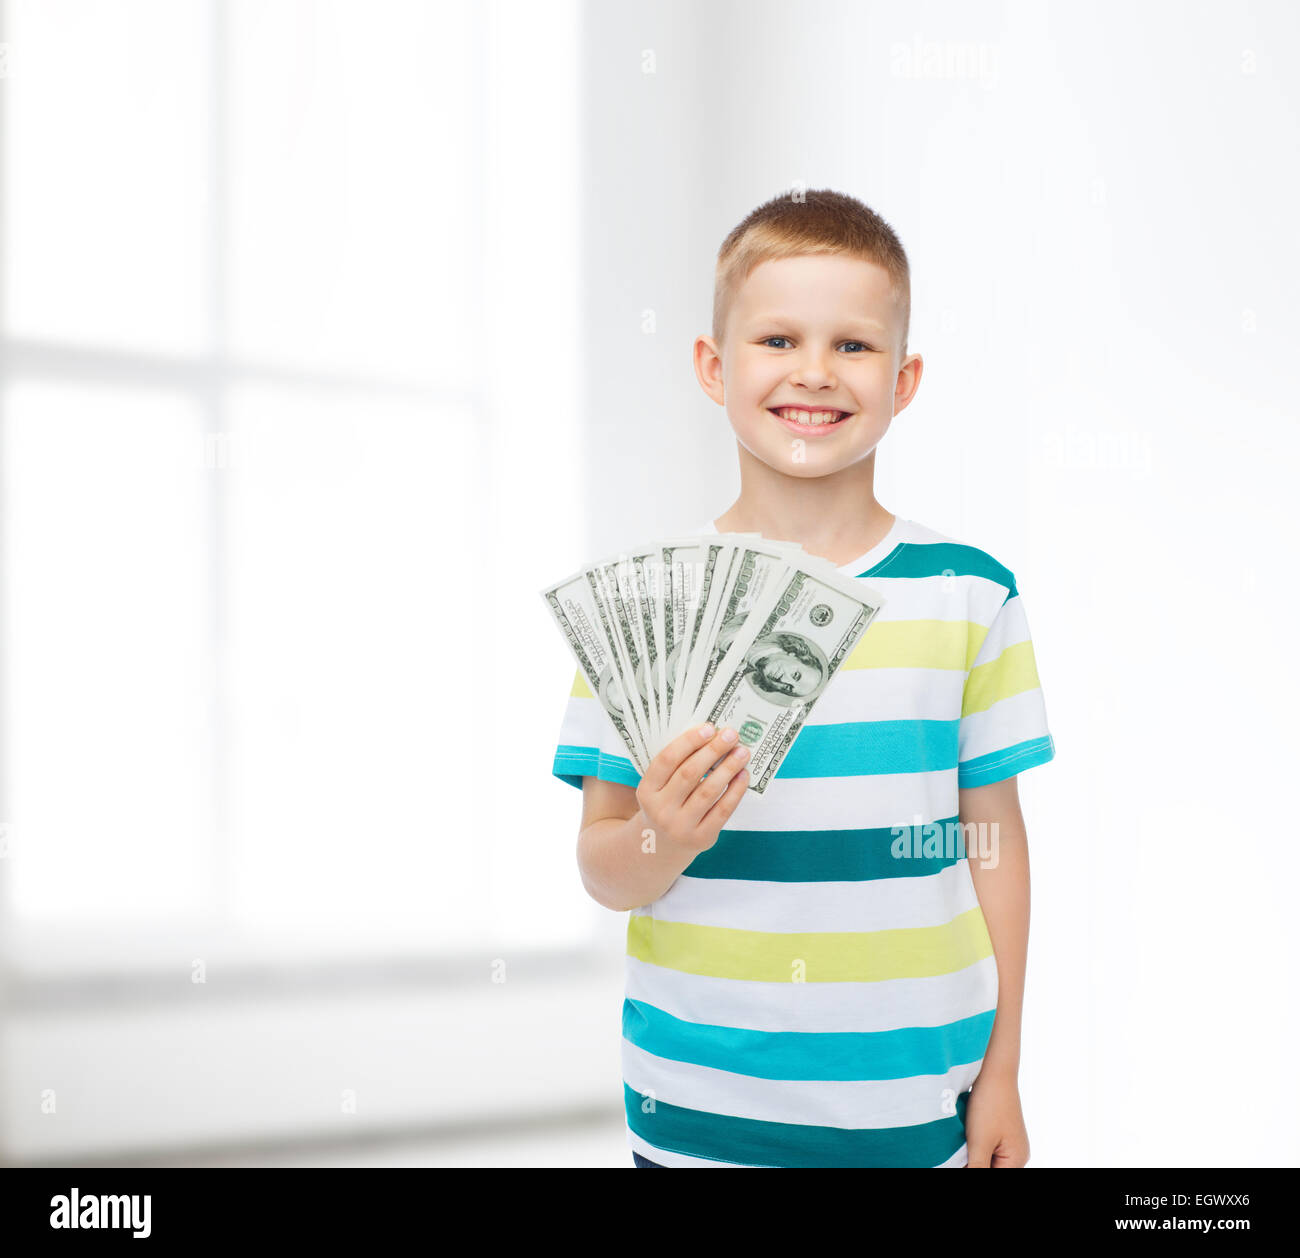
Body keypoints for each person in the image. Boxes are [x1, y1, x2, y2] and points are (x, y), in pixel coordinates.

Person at [550, 188, 1055, 1168]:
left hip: (913, 1106)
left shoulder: (968, 594)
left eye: (851, 345)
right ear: (714, 366)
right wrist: (661, 834)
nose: (814, 371)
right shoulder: (648, 605)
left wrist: (1002, 1071)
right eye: (777, 339)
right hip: (694, 1106)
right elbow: (603, 869)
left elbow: (994, 844)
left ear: (903, 380)